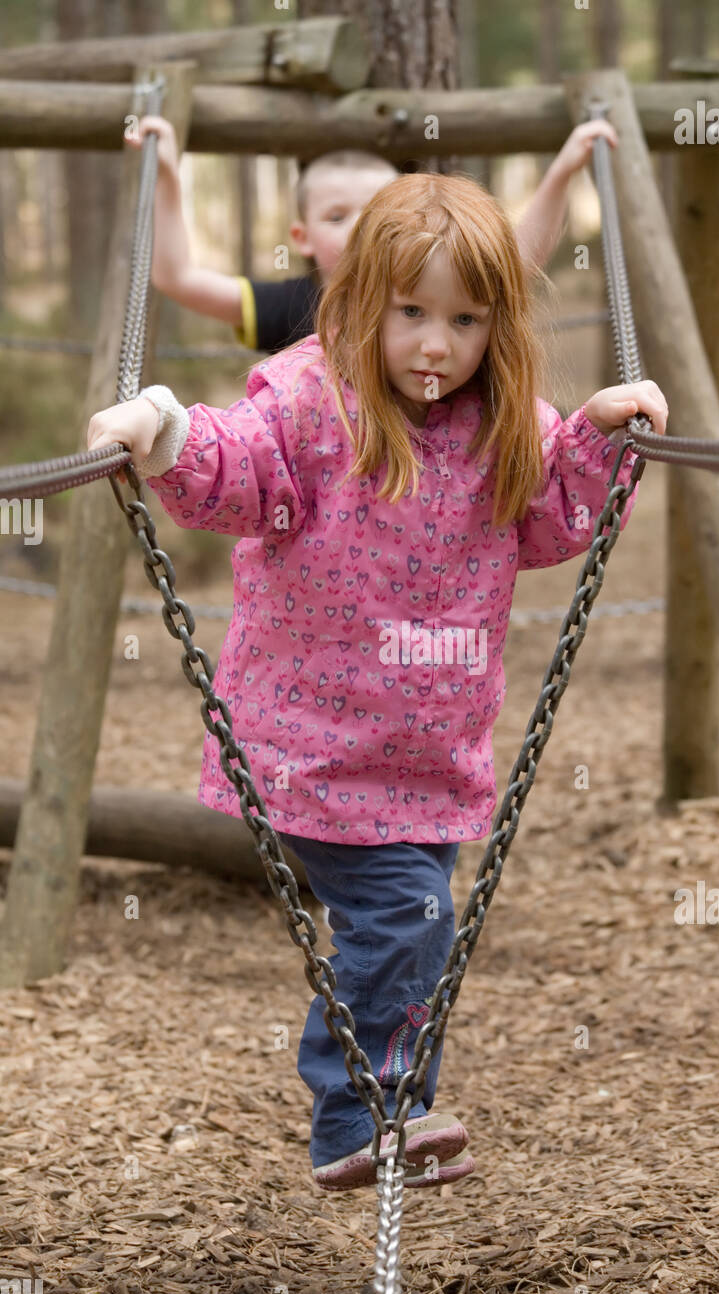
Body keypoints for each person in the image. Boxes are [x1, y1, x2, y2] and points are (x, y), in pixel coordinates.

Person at [87, 171, 668, 1192]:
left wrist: (597, 435)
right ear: (361, 302)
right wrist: (165, 428)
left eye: (463, 318)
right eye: (410, 313)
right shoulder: (311, 402)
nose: (434, 345)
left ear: (498, 324)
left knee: (418, 931)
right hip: (313, 748)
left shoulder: (503, 425)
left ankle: (397, 1113)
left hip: (430, 759)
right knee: (409, 916)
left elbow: (548, 521)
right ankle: (349, 1120)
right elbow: (237, 465)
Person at [125, 116, 620, 354]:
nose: (363, 229)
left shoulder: (437, 283)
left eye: (379, 212)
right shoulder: (294, 305)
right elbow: (177, 276)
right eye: (339, 217)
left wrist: (562, 172)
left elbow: (516, 258)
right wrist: (168, 176)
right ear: (301, 236)